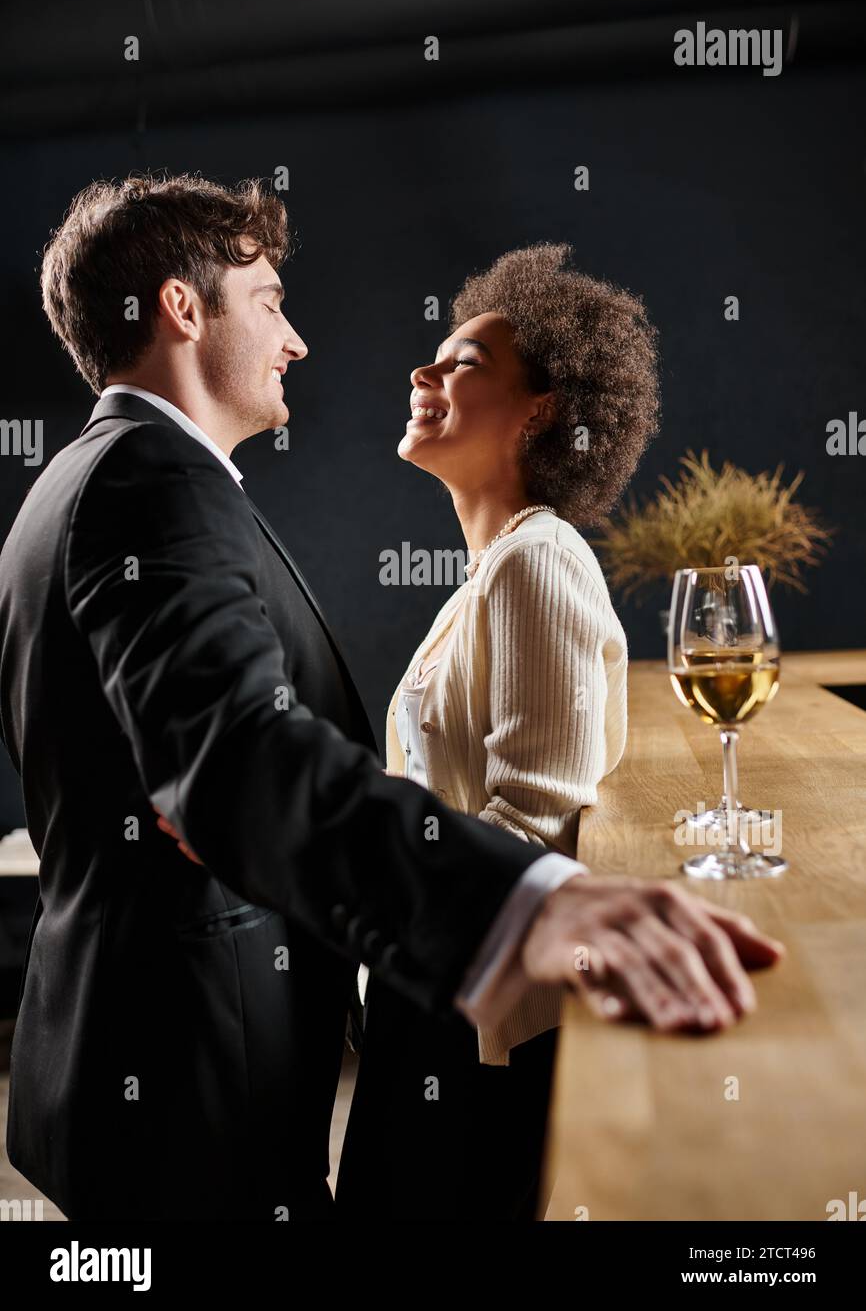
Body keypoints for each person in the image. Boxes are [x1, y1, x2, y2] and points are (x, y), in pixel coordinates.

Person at [0, 174, 784, 1222]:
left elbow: (204, 764)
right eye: (270, 299)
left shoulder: (71, 484)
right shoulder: (154, 483)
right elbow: (235, 758)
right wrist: (522, 902)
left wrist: (229, 803)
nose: (296, 340)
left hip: (149, 1067)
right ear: (182, 310)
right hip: (188, 1077)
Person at [335, 246, 657, 1220]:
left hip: (475, 1025)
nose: (421, 375)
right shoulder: (493, 574)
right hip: (438, 988)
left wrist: (359, 882)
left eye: (461, 362)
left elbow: (538, 822)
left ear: (539, 409)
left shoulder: (536, 563)